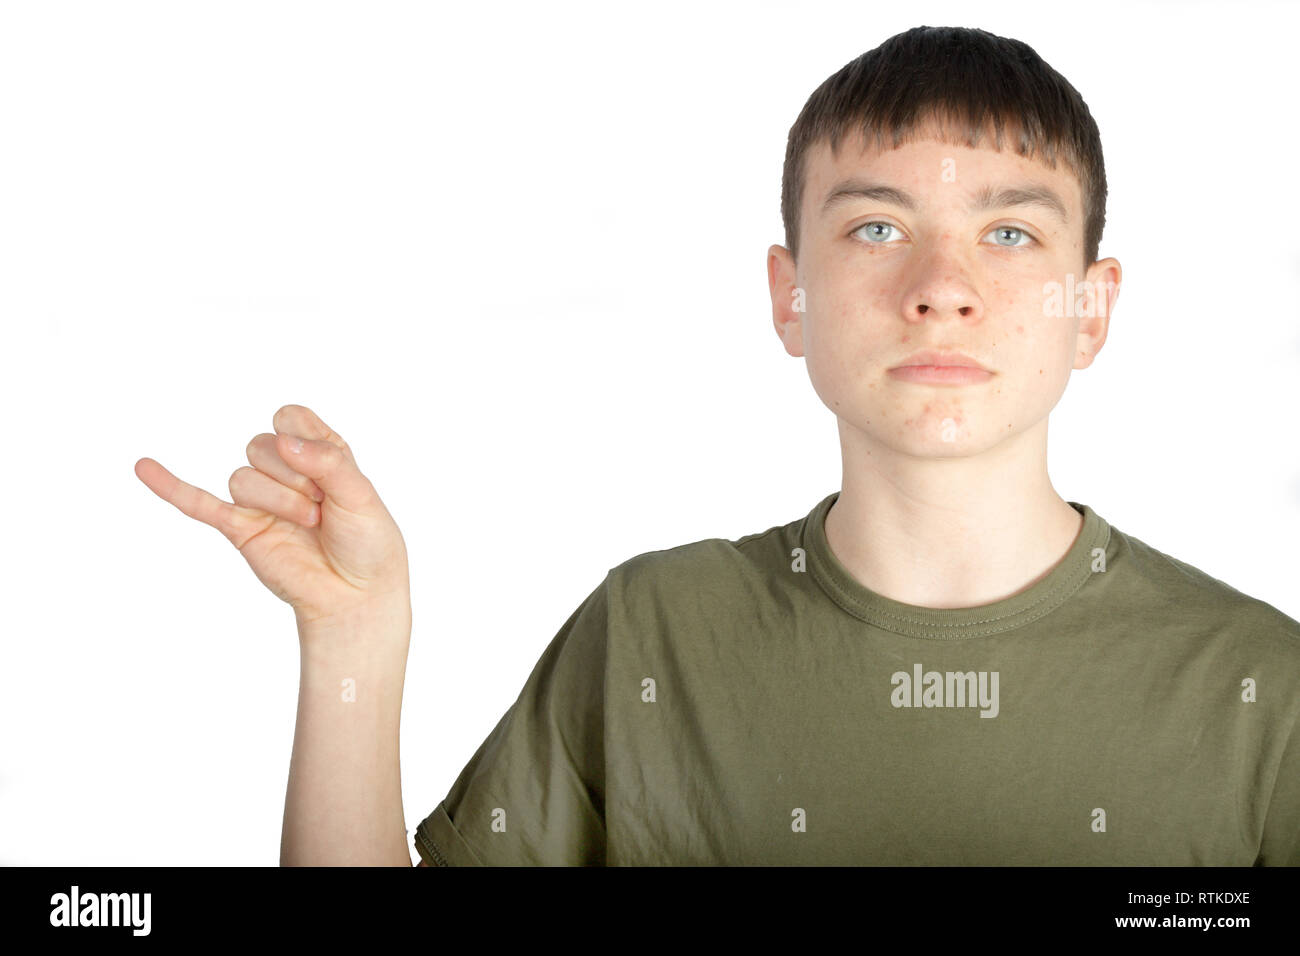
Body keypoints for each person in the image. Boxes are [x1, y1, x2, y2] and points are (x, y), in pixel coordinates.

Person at [135, 25, 1300, 866]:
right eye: (877, 225)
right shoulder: (649, 630)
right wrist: (353, 638)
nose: (942, 287)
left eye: (1006, 230)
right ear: (789, 297)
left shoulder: (1265, 689)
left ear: (1089, 307)